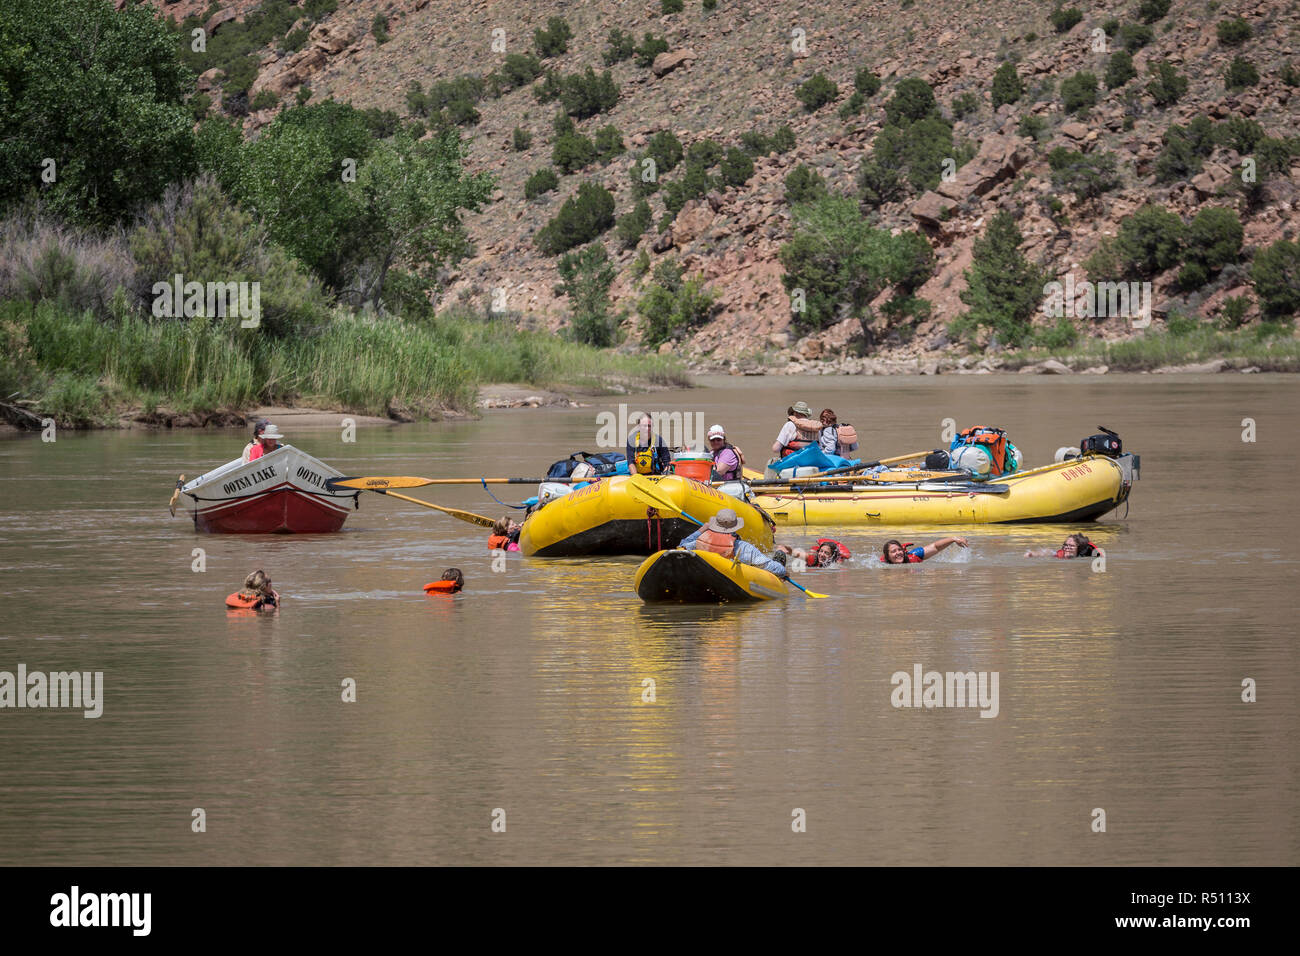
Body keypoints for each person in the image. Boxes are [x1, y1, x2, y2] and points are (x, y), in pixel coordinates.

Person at [679, 508, 788, 577]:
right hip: (733, 577)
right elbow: (774, 568)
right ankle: (781, 552)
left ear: (715, 524)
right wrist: (784, 572)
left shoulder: (699, 542)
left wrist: (701, 530)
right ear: (735, 527)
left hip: (706, 575)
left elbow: (681, 546)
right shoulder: (743, 548)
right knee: (779, 556)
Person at [881, 537, 968, 564]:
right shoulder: (883, 564)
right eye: (893, 551)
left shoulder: (914, 555)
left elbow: (935, 547)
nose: (898, 553)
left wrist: (953, 539)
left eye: (899, 550)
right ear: (888, 556)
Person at [1026, 534, 1102, 559]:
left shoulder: (1087, 552)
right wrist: (1032, 554)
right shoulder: (1061, 553)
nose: (1067, 548)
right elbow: (1047, 552)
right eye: (1066, 545)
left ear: (1077, 548)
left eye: (1071, 546)